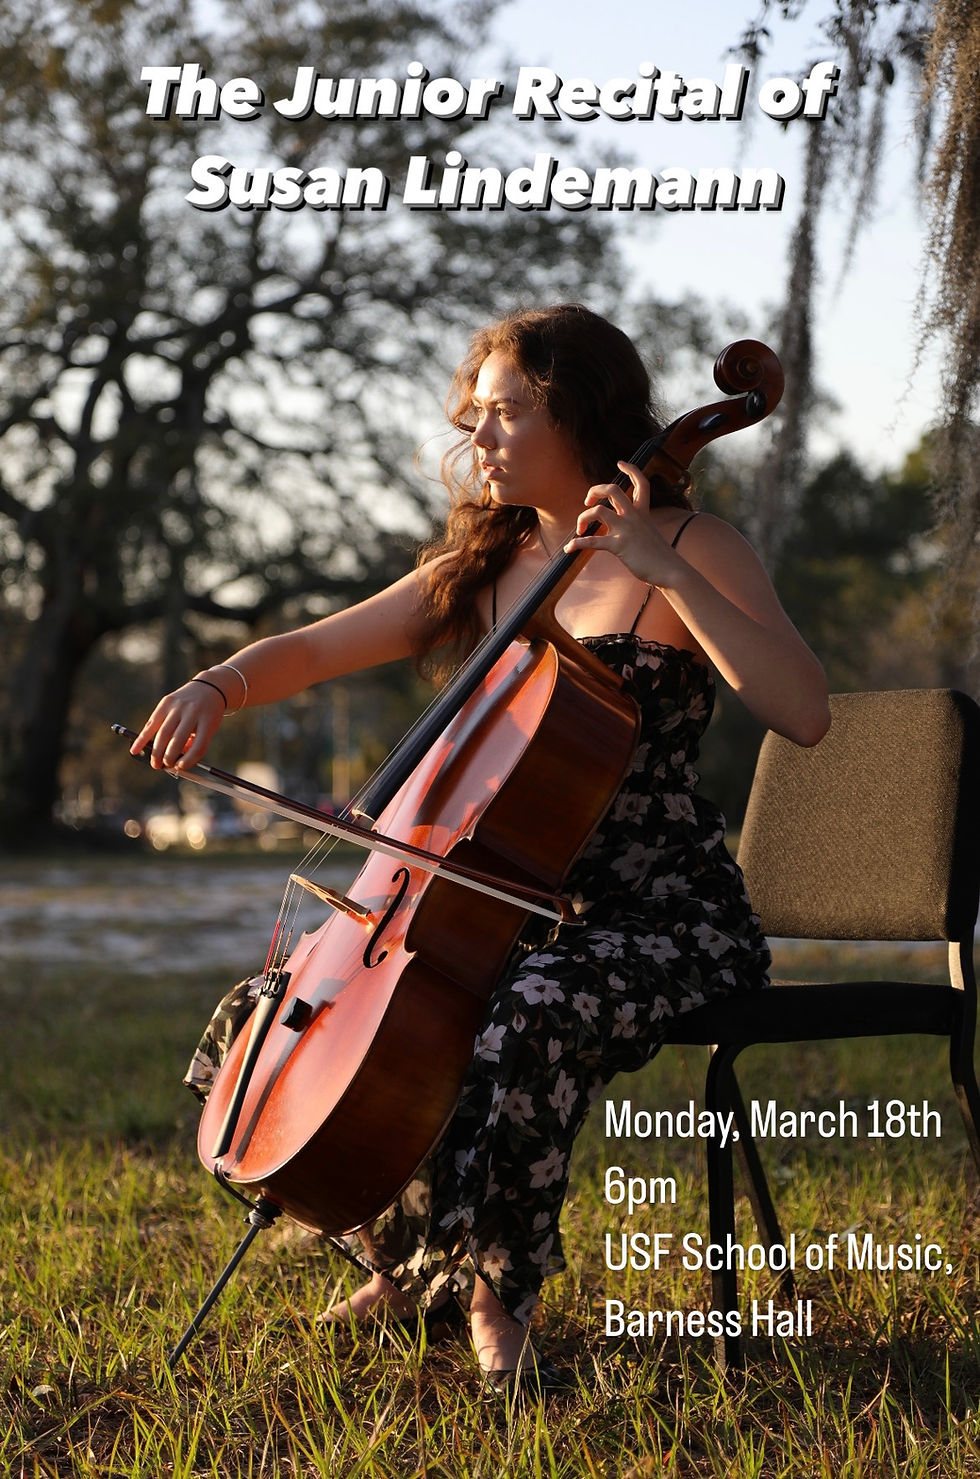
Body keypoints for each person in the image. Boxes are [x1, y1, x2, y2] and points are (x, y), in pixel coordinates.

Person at [132, 304, 830, 1396]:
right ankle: (400, 1259)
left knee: (531, 1006)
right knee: (287, 1008)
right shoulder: (491, 558)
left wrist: (666, 567)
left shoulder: (692, 549)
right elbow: (322, 642)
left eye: (506, 413)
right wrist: (218, 684)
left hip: (661, 916)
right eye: (478, 416)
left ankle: (495, 1295)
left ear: (577, 414)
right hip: (503, 898)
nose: (481, 438)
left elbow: (802, 710)